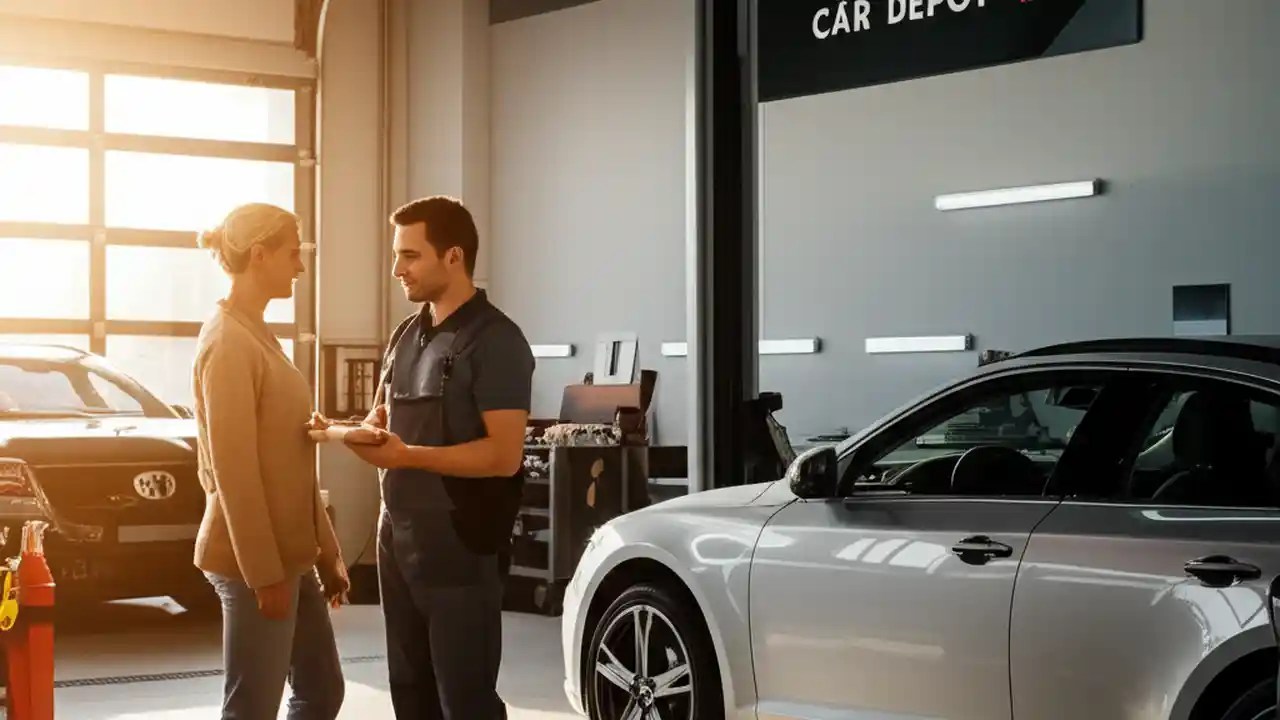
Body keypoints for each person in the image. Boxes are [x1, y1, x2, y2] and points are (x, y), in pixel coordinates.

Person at [335, 195, 534, 719]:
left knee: (465, 700)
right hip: (398, 539)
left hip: (462, 543)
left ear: (453, 256)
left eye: (410, 255)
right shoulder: (405, 335)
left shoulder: (497, 341)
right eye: (396, 255)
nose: (396, 269)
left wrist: (406, 457)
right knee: (409, 691)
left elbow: (504, 456)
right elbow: (381, 419)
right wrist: (355, 433)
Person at [192, 202, 349, 720]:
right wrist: (262, 575)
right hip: (252, 561)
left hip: (290, 555)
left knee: (321, 691)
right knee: (252, 708)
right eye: (293, 254)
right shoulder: (227, 342)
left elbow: (291, 456)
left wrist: (326, 551)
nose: (300, 267)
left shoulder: (258, 332)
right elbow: (234, 472)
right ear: (259, 255)